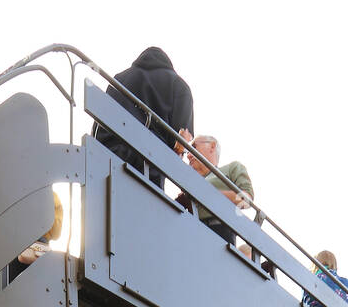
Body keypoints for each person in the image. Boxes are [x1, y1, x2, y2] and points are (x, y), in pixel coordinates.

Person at [92, 47, 193, 190]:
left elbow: (100, 123)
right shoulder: (179, 86)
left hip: (109, 158)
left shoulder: (120, 78)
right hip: (150, 166)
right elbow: (182, 141)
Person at [182, 135, 253, 243]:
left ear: (212, 146)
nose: (189, 155)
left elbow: (246, 200)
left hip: (219, 233)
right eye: (187, 151)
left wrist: (211, 194)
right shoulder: (190, 180)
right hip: (190, 231)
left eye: (194, 147)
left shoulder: (231, 168)